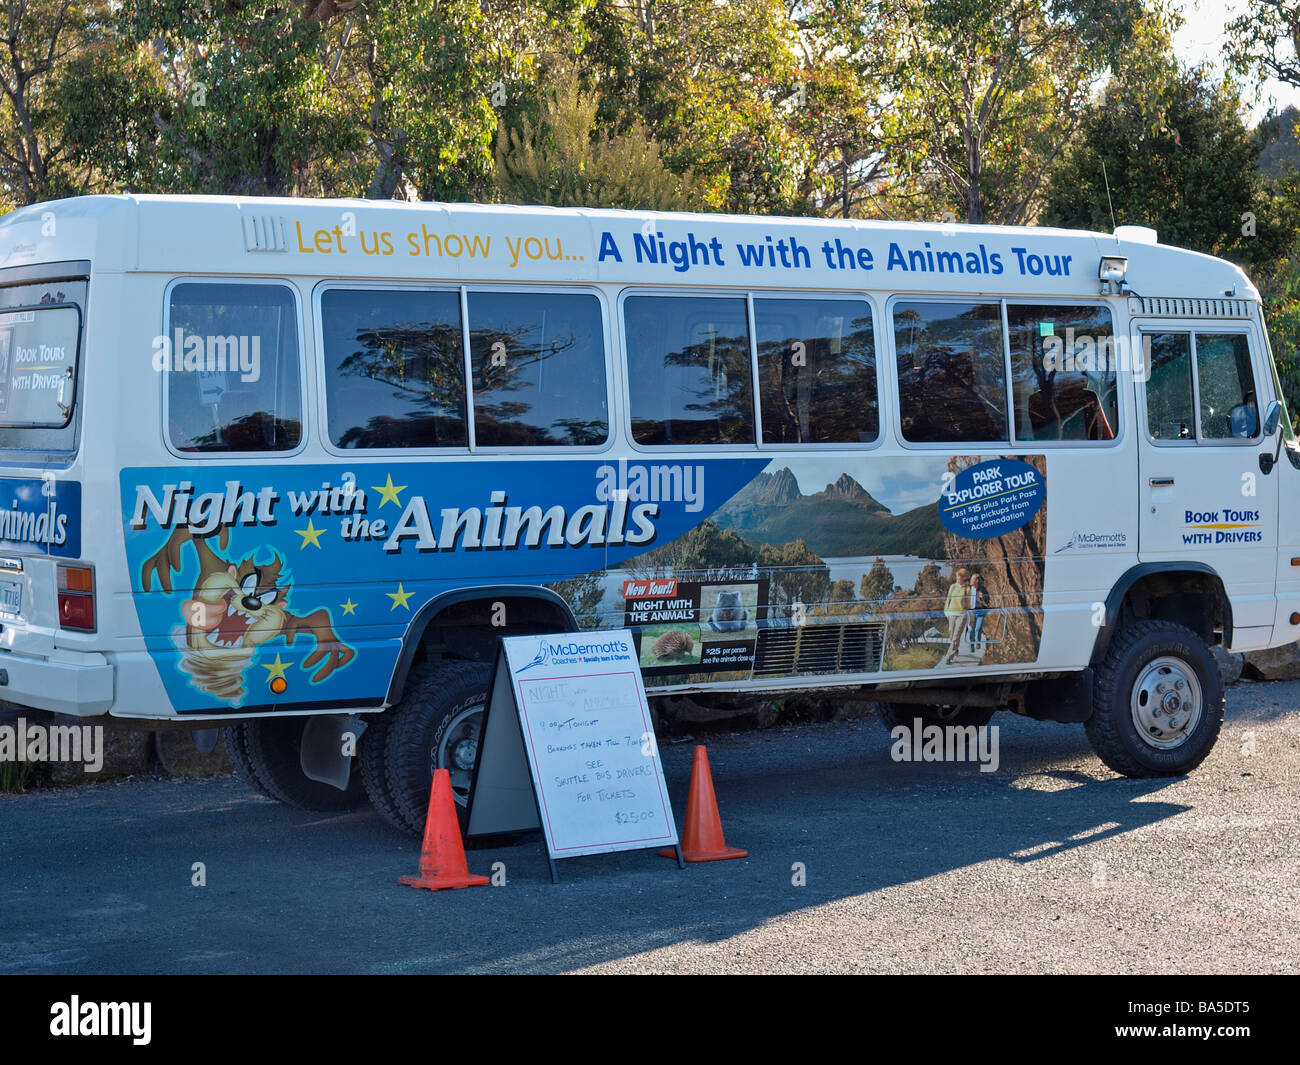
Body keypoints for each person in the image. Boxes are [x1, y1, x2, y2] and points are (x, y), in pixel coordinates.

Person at [942, 567, 970, 665]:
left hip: (961, 615)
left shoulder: (967, 589)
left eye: (960, 576)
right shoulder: (952, 587)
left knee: (956, 636)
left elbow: (969, 604)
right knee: (951, 634)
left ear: (964, 577)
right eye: (957, 576)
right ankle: (955, 649)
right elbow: (948, 600)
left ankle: (948, 657)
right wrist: (946, 612)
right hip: (951, 614)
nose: (958, 578)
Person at [968, 573, 988, 654]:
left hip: (980, 611)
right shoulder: (969, 589)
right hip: (971, 612)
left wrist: (983, 597)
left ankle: (977, 642)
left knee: (978, 628)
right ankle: (971, 646)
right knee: (972, 630)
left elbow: (987, 601)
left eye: (978, 579)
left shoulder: (982, 590)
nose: (977, 580)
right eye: (975, 579)